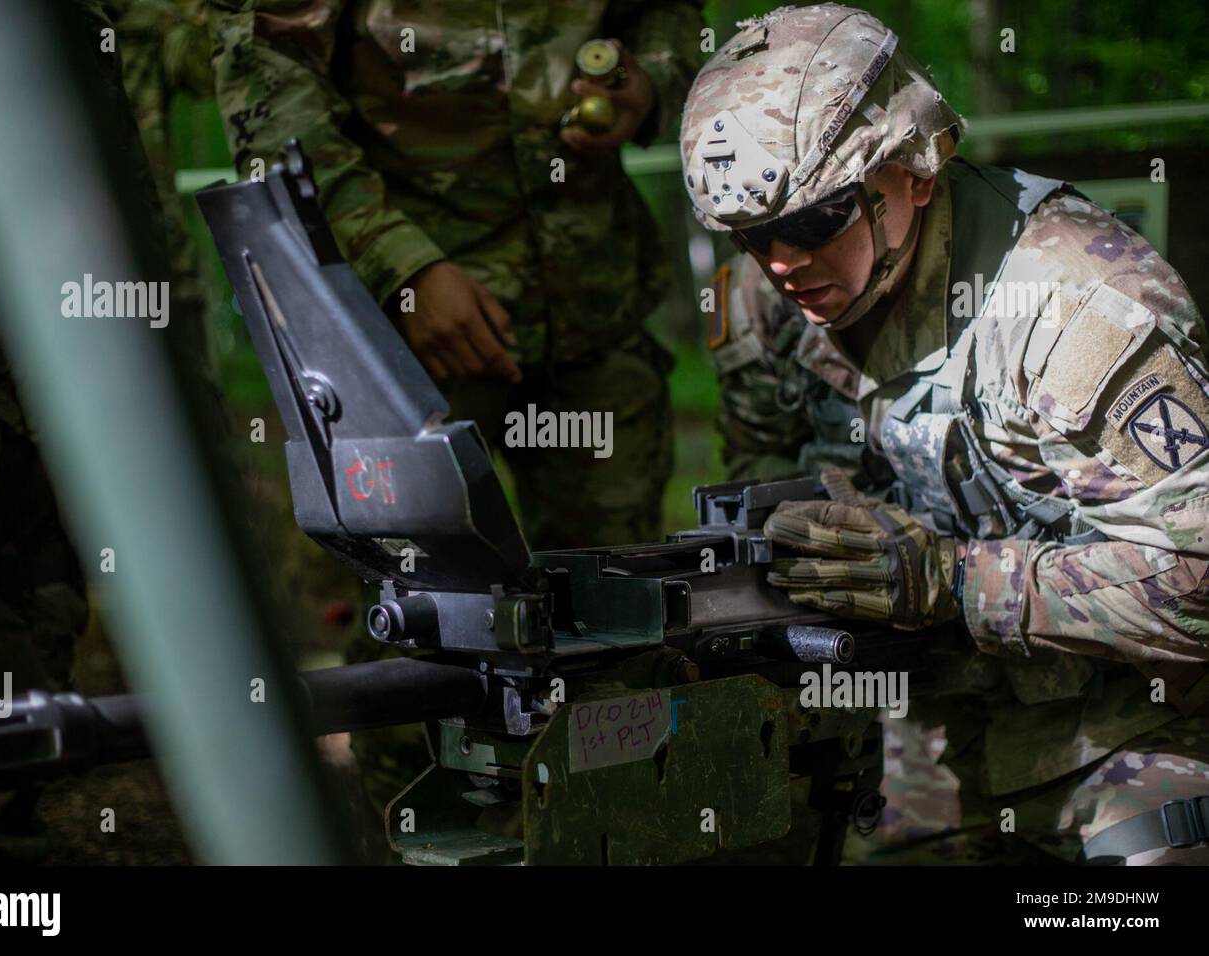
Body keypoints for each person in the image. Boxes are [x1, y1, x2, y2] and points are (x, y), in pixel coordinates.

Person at [685, 3, 1209, 864]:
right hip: (911, 741)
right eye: (751, 236)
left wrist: (952, 581)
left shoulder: (1077, 308)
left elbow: (1196, 580)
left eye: (818, 220)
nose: (781, 262)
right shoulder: (767, 309)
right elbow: (765, 479)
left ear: (917, 171)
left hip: (1123, 735)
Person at [204, 0, 706, 852]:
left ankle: (605, 839)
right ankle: (415, 845)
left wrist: (648, 85)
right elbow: (265, 83)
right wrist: (404, 267)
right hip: (397, 336)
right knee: (421, 625)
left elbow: (666, 18)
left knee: (619, 621)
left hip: (592, 309)